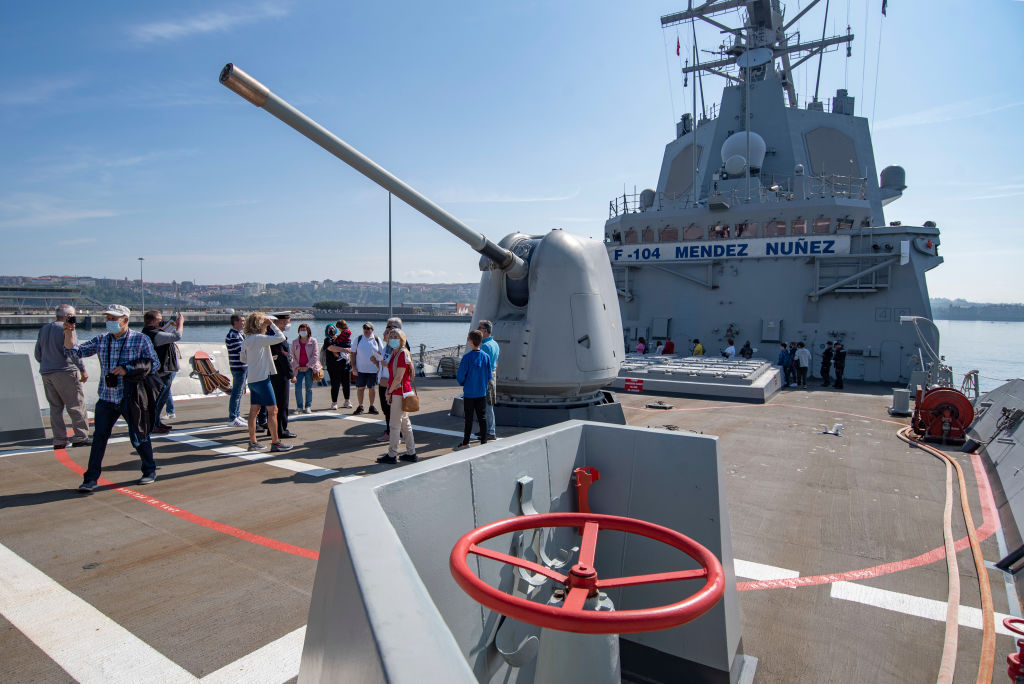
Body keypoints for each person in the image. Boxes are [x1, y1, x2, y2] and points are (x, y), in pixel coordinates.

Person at [64, 304, 161, 492]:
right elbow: (74, 352)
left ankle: (149, 470)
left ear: (125, 320)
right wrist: (69, 333)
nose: (109, 322)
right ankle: (90, 479)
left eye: (113, 319)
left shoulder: (140, 340)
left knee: (139, 435)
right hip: (107, 398)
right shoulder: (102, 340)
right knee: (99, 439)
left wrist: (129, 369)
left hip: (130, 397)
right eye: (107, 318)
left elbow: (154, 364)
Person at [35, 304, 90, 448]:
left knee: (55, 408)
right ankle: (80, 436)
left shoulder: (44, 329)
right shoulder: (67, 329)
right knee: (76, 404)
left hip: (47, 372)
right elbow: (73, 351)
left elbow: (38, 354)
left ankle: (59, 440)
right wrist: (82, 370)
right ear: (68, 316)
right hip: (65, 370)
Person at [241, 312, 292, 452]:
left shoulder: (247, 339)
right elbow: (280, 337)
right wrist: (273, 325)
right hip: (263, 379)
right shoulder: (259, 338)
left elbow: (243, 359)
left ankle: (253, 442)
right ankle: (275, 442)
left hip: (252, 379)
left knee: (254, 411)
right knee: (273, 410)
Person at [376, 327, 417, 464]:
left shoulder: (401, 354)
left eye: (396, 336)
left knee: (394, 425)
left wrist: (389, 391)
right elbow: (395, 376)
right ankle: (411, 452)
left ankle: (392, 454)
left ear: (402, 339)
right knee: (405, 424)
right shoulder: (397, 353)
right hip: (402, 391)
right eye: (390, 336)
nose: (392, 338)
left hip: (400, 392)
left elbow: (398, 377)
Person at [141, 310, 183, 434]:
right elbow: (177, 336)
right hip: (162, 371)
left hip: (165, 369)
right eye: (159, 319)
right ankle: (152, 424)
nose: (162, 321)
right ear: (153, 322)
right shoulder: (153, 334)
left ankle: (156, 422)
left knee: (162, 398)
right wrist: (180, 324)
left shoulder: (152, 332)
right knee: (158, 399)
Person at [455, 330, 491, 451]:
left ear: (470, 341)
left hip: (470, 393)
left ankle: (466, 442)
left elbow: (460, 376)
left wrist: (464, 383)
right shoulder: (486, 357)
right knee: (482, 417)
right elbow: (489, 375)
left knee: (469, 419)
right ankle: (484, 441)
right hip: (481, 392)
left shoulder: (467, 358)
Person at [265, 312, 297, 438]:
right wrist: (291, 375)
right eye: (287, 321)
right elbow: (283, 358)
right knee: (282, 403)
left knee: (273, 403)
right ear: (281, 322)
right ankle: (281, 430)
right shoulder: (278, 338)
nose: (288, 324)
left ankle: (271, 428)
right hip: (280, 374)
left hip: (271, 373)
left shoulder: (269, 335)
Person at [352, 322, 383, 415]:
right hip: (360, 370)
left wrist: (379, 367)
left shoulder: (377, 339)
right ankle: (360, 406)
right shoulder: (358, 339)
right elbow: (353, 353)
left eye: (368, 328)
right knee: (360, 388)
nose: (366, 330)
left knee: (372, 388)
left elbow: (381, 354)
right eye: (364, 328)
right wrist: (353, 367)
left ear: (372, 330)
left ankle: (371, 406)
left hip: (373, 370)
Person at [290, 323, 321, 414]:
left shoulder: (313, 341)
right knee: (298, 388)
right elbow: (291, 355)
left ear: (308, 331)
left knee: (309, 388)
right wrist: (297, 366)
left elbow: (315, 355)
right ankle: (299, 407)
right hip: (298, 369)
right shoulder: (295, 342)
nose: (303, 331)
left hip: (309, 369)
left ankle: (308, 406)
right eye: (301, 330)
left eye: (304, 330)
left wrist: (307, 366)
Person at [477, 320, 500, 441]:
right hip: (492, 375)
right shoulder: (495, 344)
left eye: (479, 328)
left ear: (485, 331)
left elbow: (481, 365)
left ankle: (491, 431)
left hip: (485, 378)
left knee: (486, 406)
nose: (477, 329)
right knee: (487, 405)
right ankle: (486, 430)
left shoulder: (484, 346)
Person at [225, 313, 248, 426]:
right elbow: (241, 350)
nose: (244, 323)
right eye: (242, 321)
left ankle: (237, 414)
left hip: (242, 366)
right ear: (235, 322)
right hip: (238, 367)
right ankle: (232, 417)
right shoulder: (233, 335)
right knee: (236, 392)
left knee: (239, 392)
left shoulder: (239, 334)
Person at [322, 324, 351, 410]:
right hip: (332, 366)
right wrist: (344, 349)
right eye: (329, 329)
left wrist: (344, 349)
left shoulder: (340, 338)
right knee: (335, 384)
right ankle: (334, 402)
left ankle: (347, 401)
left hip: (345, 364)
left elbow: (349, 347)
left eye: (333, 328)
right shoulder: (327, 340)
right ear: (326, 331)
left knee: (346, 384)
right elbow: (331, 348)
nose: (331, 330)